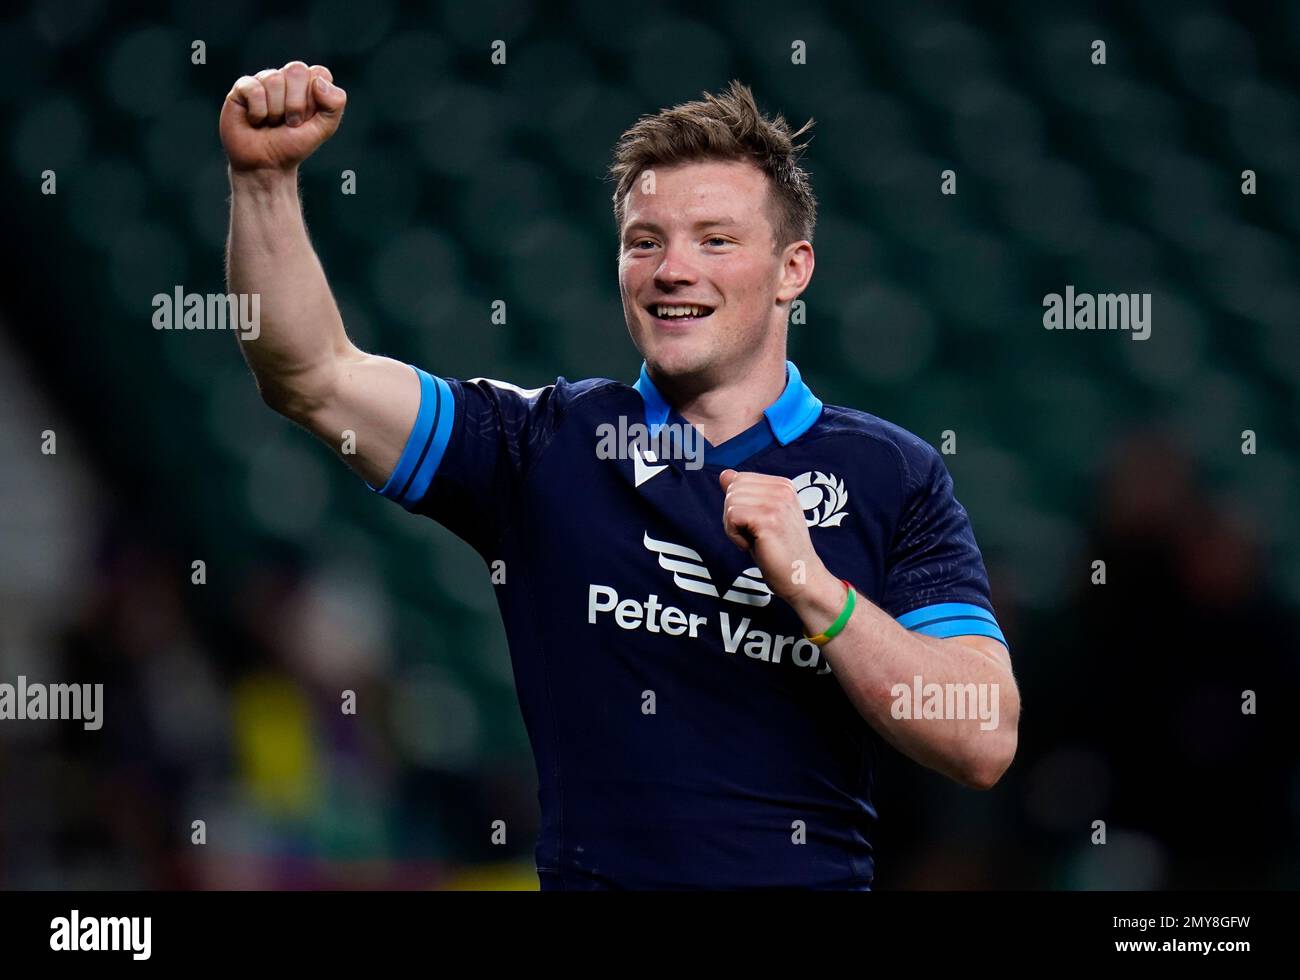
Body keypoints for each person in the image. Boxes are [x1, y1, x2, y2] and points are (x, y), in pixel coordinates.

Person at [220, 62, 1020, 889]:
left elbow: (983, 737)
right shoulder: (542, 445)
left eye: (715, 239)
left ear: (793, 270)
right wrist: (265, 182)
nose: (672, 269)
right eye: (646, 241)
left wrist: (819, 591)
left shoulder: (892, 474)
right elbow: (310, 374)